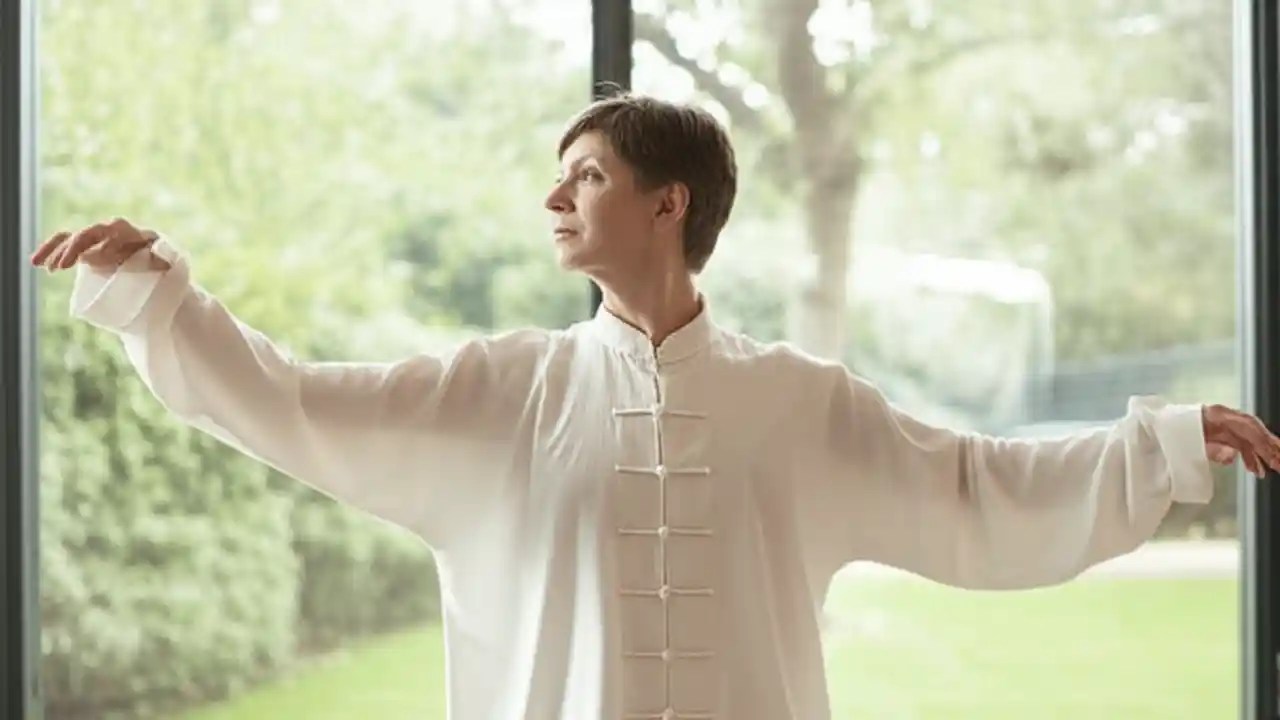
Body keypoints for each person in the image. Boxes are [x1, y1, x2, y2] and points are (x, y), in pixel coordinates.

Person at [30, 92, 1280, 720]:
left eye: (587, 175)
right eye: (558, 177)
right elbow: (290, 401)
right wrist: (157, 291)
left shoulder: (797, 403)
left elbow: (972, 485)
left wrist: (1160, 445)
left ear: (670, 202)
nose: (555, 200)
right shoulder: (498, 392)